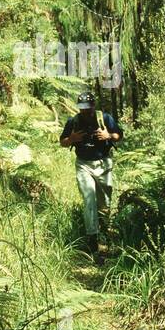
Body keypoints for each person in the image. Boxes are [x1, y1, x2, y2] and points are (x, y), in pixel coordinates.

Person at [59, 90, 124, 256]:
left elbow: (119, 135)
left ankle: (105, 232)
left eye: (88, 108)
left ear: (93, 106)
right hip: (83, 165)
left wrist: (108, 135)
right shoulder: (73, 122)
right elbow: (62, 142)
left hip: (104, 164)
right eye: (82, 108)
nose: (85, 111)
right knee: (89, 198)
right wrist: (71, 139)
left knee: (105, 202)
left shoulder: (105, 118)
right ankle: (92, 240)